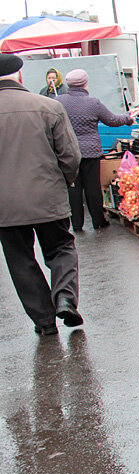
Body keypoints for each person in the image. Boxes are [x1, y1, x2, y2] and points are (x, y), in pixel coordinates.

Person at [0, 53, 83, 336]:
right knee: (61, 248)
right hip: (49, 196)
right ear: (20, 76)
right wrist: (64, 183)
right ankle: (65, 299)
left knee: (20, 261)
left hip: (5, 207)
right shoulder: (50, 107)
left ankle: (45, 322)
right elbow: (71, 156)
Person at [58, 69, 134, 232]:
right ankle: (98, 220)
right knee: (93, 187)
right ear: (85, 83)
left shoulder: (59, 102)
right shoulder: (93, 103)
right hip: (91, 152)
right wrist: (127, 119)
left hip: (69, 152)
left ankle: (76, 224)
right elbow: (112, 120)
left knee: (73, 188)